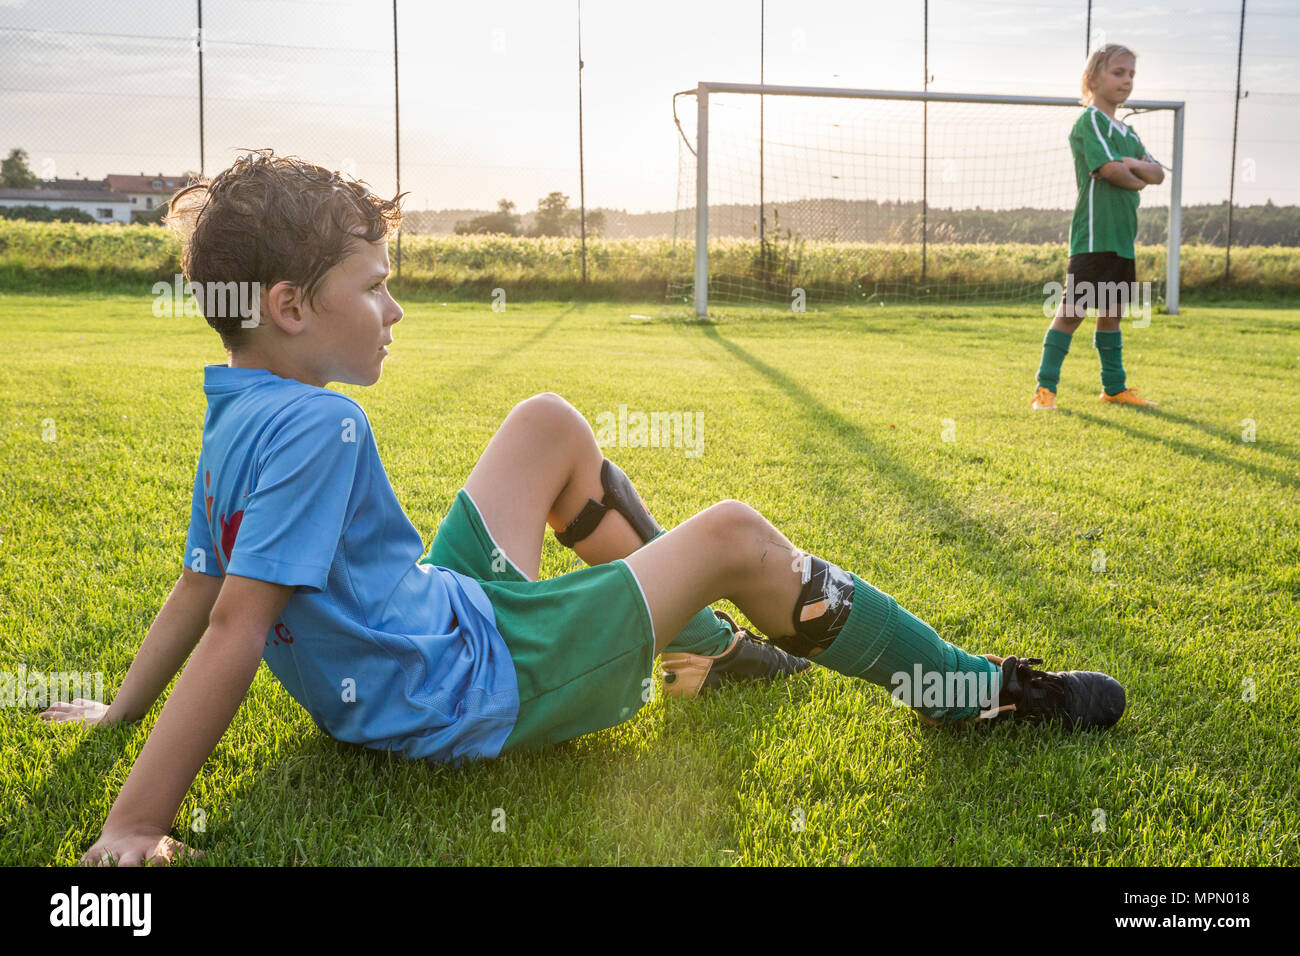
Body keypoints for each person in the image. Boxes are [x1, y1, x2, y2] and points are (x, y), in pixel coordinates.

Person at [44, 150, 1124, 868]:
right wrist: (135, 822)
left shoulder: (235, 407)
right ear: (287, 306)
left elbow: (198, 581)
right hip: (469, 681)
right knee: (738, 534)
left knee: (548, 421)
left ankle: (701, 651)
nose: (396, 304)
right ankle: (973, 693)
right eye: (374, 283)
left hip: (441, 620)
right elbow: (232, 620)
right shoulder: (323, 427)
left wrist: (118, 709)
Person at [1032, 43, 1164, 410]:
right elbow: (1110, 171)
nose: (1126, 81)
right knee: (1072, 312)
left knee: (1112, 314)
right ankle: (1045, 390)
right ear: (1093, 78)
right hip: (1093, 237)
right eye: (1118, 73)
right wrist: (1131, 171)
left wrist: (1131, 165)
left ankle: (1114, 388)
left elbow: (1156, 173)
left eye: (1131, 74)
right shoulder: (1089, 121)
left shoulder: (1130, 133)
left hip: (1123, 240)